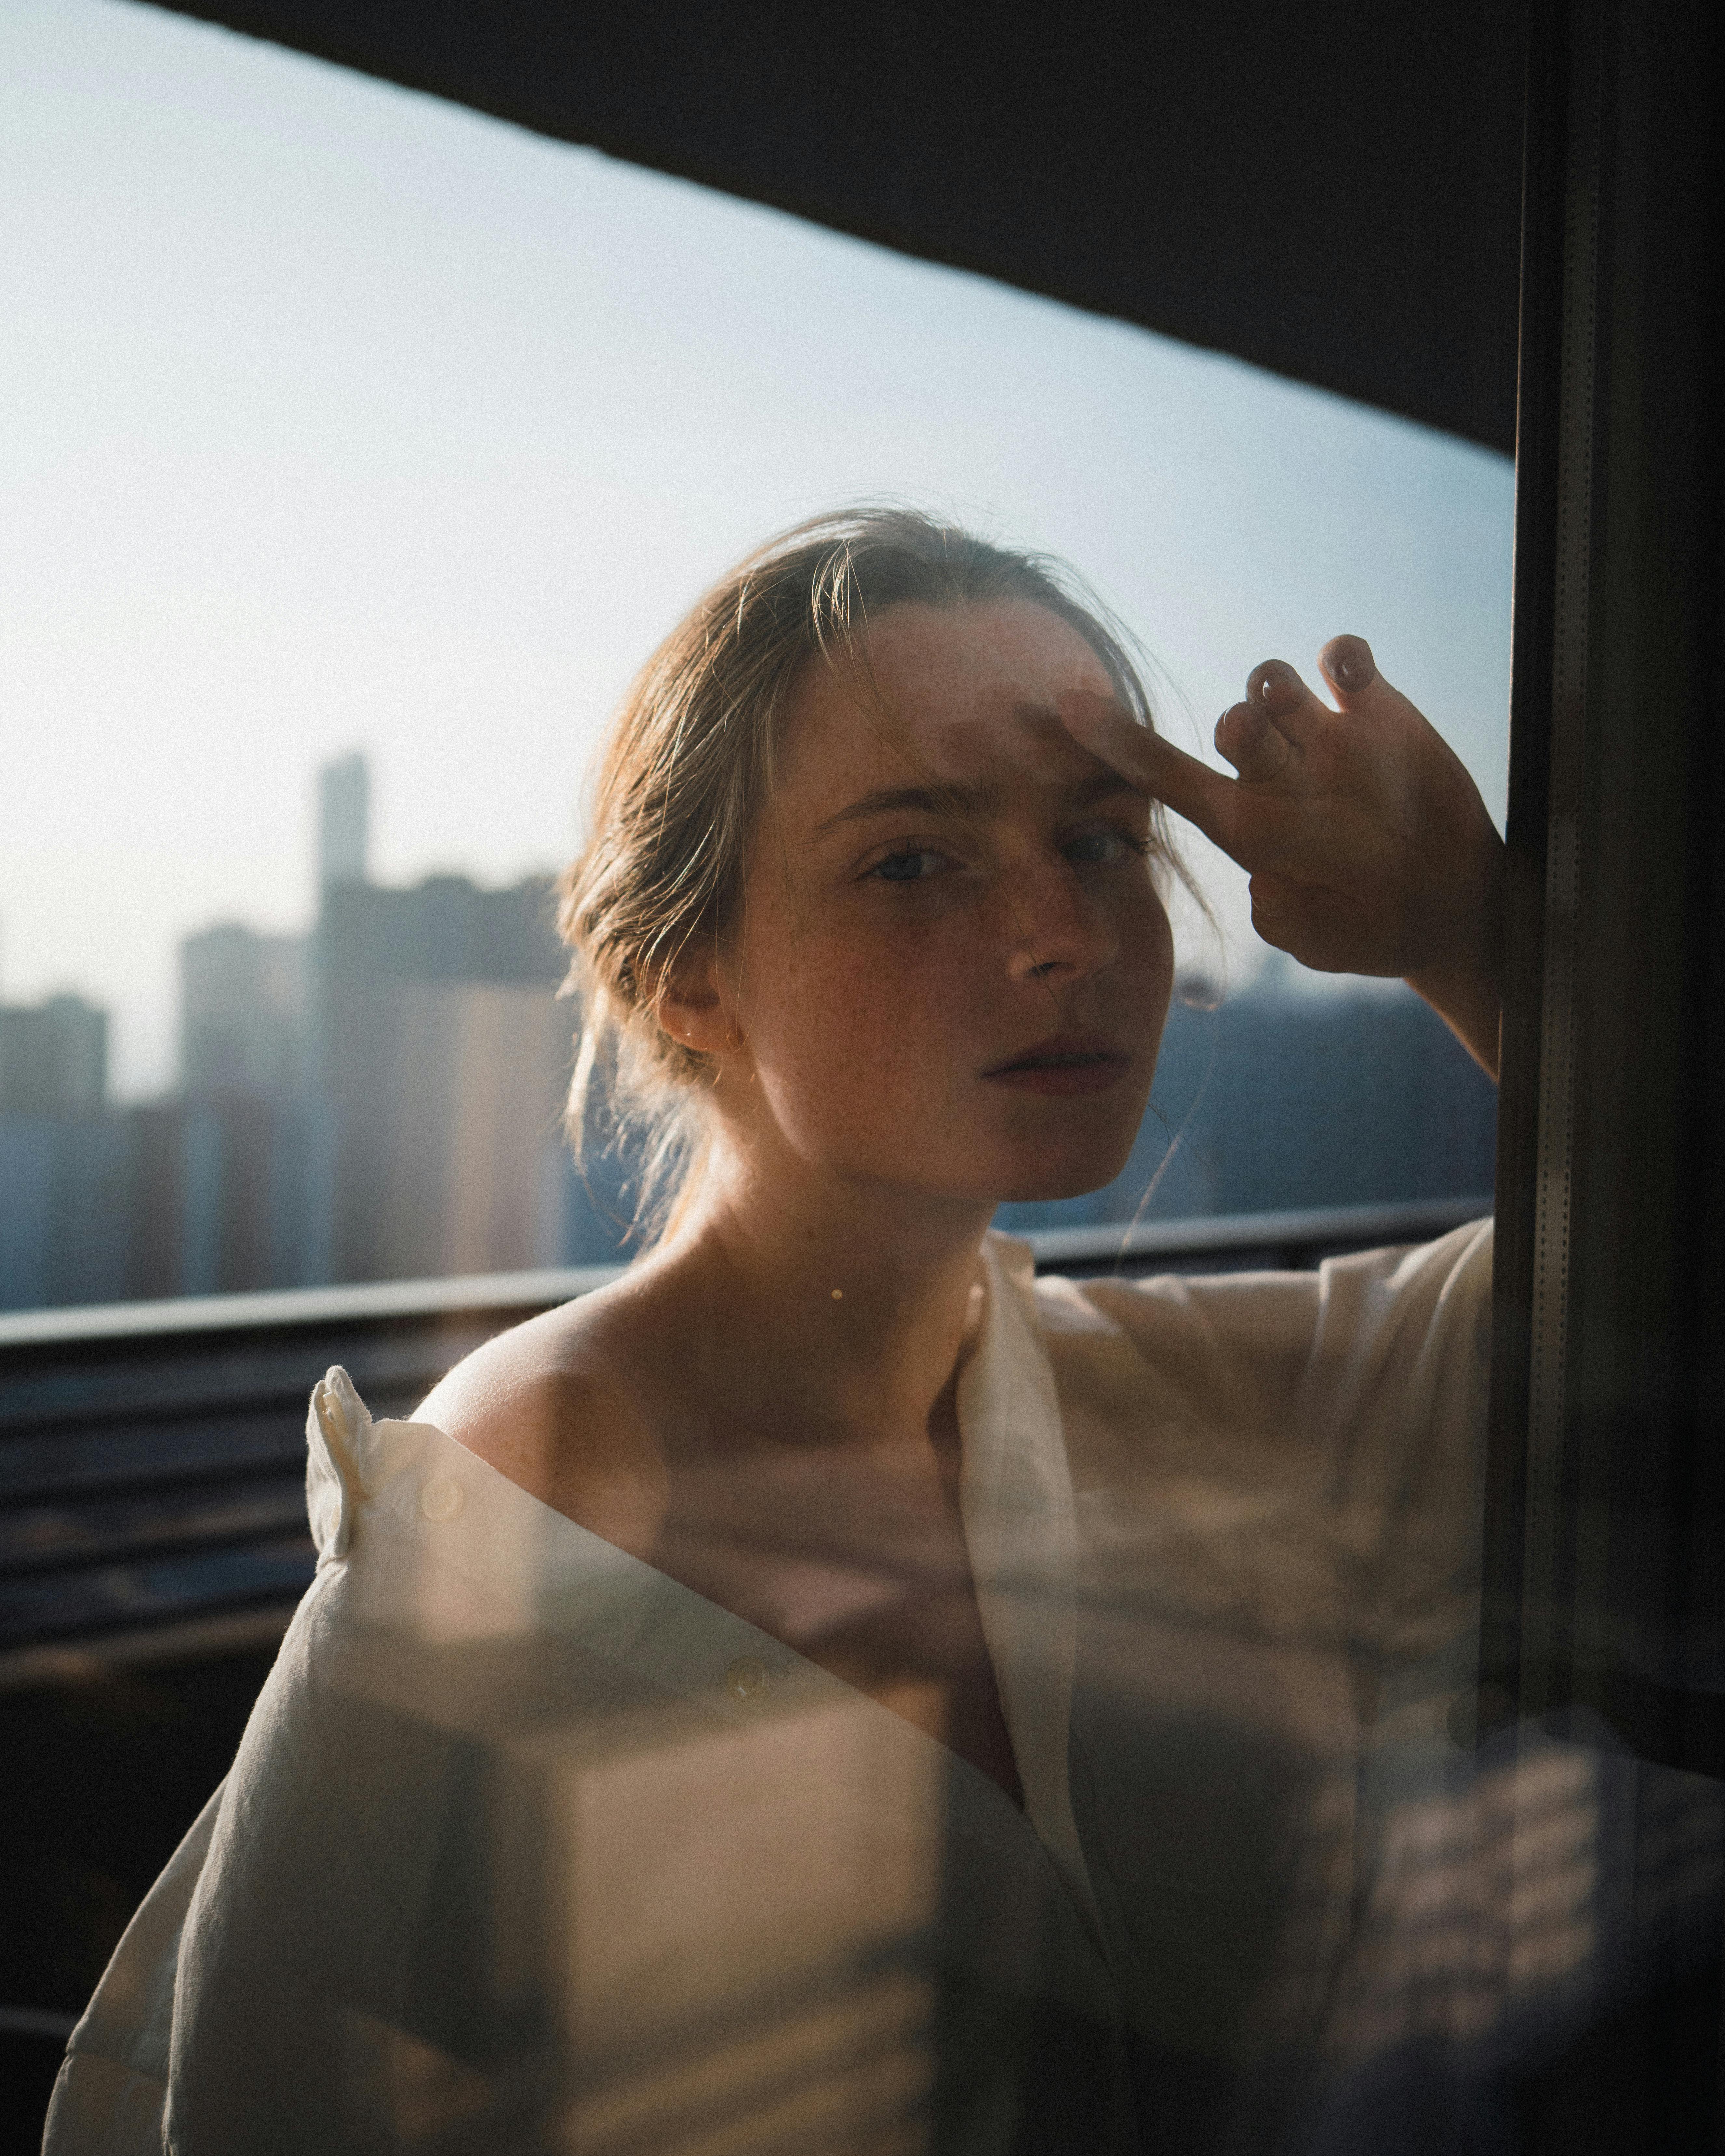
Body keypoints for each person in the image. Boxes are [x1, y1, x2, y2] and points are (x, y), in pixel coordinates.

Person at [47, 508, 1564, 2154]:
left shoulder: (1212, 1396)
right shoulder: (499, 1539)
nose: (1061, 930)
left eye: (1105, 837)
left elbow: (1661, 1290)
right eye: (912, 860)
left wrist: (1470, 934)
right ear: (683, 974)